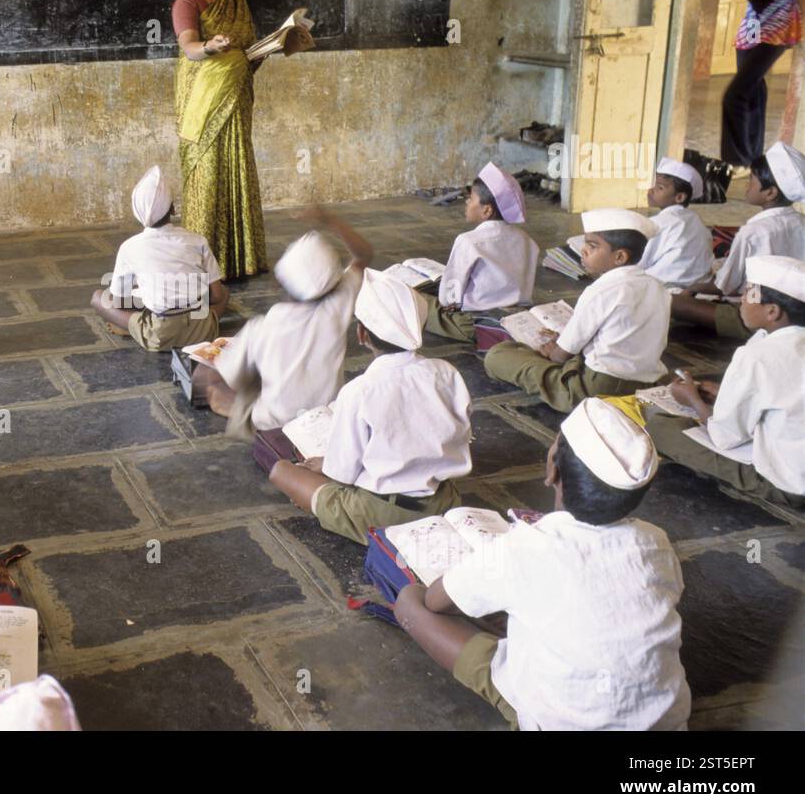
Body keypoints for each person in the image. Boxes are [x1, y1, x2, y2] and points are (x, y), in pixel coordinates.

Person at [393, 398, 691, 731]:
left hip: (562, 723)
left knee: (411, 601)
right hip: (665, 723)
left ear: (552, 470)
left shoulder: (527, 545)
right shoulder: (656, 540)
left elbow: (436, 601)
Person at [269, 267, 472, 543]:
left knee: (282, 470)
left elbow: (343, 474)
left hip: (381, 512)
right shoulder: (447, 372)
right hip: (443, 502)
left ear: (361, 334)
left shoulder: (359, 391)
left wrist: (325, 465)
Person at [193, 207, 373, 434]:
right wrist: (330, 218)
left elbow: (224, 377)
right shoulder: (339, 303)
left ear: (280, 283)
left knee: (209, 381)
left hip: (275, 423)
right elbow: (364, 255)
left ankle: (242, 413)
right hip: (327, 416)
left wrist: (213, 374)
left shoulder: (261, 329)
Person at [646, 255, 805, 510]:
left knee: (660, 426)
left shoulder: (757, 355)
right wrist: (725, 394)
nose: (742, 299)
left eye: (749, 294)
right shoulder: (775, 341)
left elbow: (725, 436)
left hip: (791, 484)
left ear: (772, 311)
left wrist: (694, 401)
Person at [485, 209, 670, 412]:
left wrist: (552, 351)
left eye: (593, 246)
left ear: (619, 257)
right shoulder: (660, 288)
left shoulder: (600, 291)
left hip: (595, 388)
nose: (583, 251)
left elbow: (559, 357)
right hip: (644, 385)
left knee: (499, 354)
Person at [173, 0, 268, 280]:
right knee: (208, 172)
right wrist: (210, 47)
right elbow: (189, 48)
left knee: (237, 166)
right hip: (203, 99)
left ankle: (241, 260)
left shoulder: (238, 2)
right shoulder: (188, 1)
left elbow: (248, 53)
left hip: (236, 97)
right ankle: (205, 264)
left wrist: (276, 47)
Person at [671, 141, 805, 339]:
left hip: (758, 317)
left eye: (751, 180)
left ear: (770, 192)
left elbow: (726, 286)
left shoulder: (752, 231)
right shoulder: (800, 222)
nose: (746, 186)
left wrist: (693, 287)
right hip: (796, 314)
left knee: (672, 301)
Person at [90, 165, 229, 351]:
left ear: (137, 212)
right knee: (225, 292)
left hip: (159, 335)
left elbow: (116, 300)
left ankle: (133, 328)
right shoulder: (197, 240)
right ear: (172, 209)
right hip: (202, 332)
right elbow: (218, 296)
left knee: (98, 298)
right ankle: (201, 324)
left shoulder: (129, 247)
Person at [423, 162, 539, 342]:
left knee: (417, 300)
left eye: (471, 198)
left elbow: (449, 299)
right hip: (518, 318)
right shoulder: (527, 240)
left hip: (475, 323)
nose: (467, 202)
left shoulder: (468, 241)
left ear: (487, 210)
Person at [721, 0, 805, 173]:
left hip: (776, 34)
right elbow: (751, 6)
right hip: (750, 33)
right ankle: (753, 159)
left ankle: (736, 159)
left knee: (734, 95)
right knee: (754, 94)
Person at [637, 157, 714, 288]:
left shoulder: (659, 223)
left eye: (660, 188)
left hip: (665, 288)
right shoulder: (695, 219)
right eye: (653, 185)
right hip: (697, 286)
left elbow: (638, 261)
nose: (651, 191)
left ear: (679, 197)